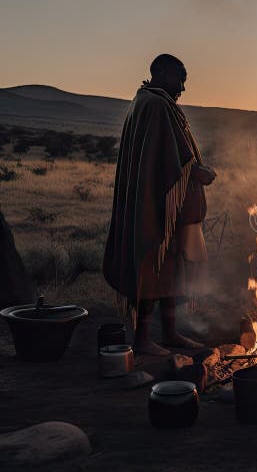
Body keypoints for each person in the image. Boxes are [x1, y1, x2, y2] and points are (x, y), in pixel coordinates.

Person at [103, 54, 215, 356]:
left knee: (171, 268)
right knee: (152, 267)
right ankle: (142, 340)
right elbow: (169, 160)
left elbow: (170, 153)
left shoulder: (154, 103)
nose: (182, 87)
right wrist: (198, 171)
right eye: (180, 79)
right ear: (162, 73)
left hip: (168, 206)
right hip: (156, 206)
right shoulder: (153, 105)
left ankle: (169, 333)